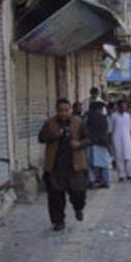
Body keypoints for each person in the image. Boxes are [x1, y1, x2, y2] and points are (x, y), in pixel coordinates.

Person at [38, 98, 90, 231]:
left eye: (66, 110)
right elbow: (42, 138)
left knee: (78, 192)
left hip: (75, 165)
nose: (63, 113)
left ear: (70, 110)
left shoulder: (78, 122)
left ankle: (78, 208)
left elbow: (88, 139)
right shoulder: (50, 123)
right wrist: (56, 134)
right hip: (55, 167)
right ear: (56, 110)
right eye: (60, 110)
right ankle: (58, 221)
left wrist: (79, 144)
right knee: (55, 197)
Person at [82, 100, 111, 189]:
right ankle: (105, 181)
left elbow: (83, 128)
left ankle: (91, 181)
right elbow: (109, 130)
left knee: (89, 164)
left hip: (90, 143)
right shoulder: (105, 118)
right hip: (102, 143)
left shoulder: (86, 117)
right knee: (104, 164)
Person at [109, 99, 131, 181]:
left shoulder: (128, 116)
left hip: (127, 138)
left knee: (129, 156)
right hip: (116, 138)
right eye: (121, 106)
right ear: (118, 107)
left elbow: (130, 128)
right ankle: (121, 175)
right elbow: (111, 129)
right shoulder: (113, 116)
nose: (123, 108)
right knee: (118, 157)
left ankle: (130, 174)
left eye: (124, 106)